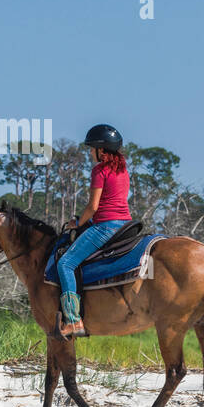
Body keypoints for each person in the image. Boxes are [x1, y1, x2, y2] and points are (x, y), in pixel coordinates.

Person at [56, 124, 132, 338]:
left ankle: (73, 321)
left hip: (105, 226)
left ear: (102, 149)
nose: (90, 153)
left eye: (92, 149)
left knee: (66, 263)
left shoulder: (99, 170)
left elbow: (93, 207)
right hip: (125, 224)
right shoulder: (123, 169)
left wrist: (78, 223)